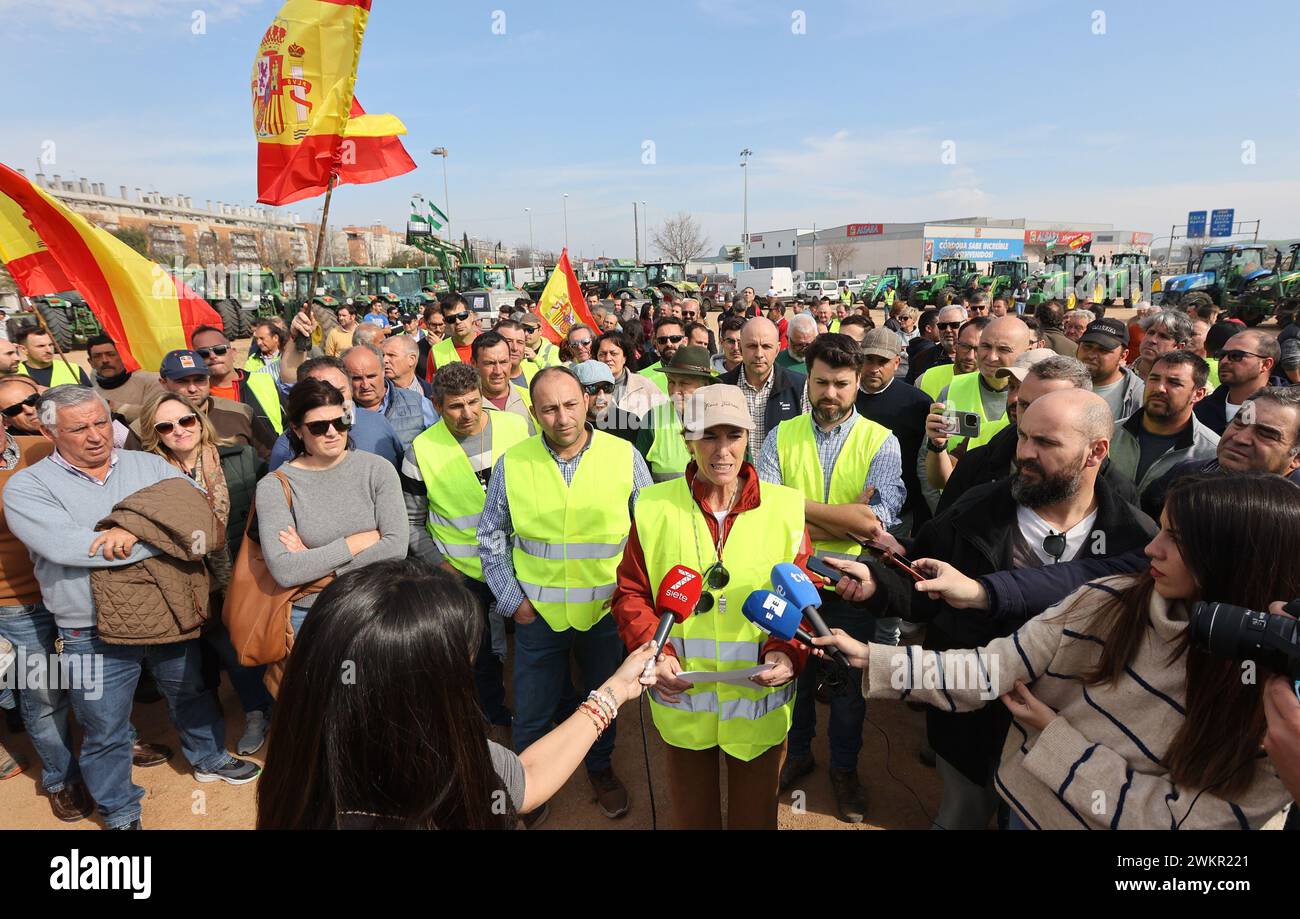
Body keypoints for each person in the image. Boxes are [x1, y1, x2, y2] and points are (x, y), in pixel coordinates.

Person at [816, 473, 1296, 829]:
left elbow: (1179, 823)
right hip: (1024, 810)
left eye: (1178, 539)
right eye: (1161, 529)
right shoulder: (1108, 599)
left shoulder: (1277, 701)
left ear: (1241, 559)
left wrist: (1054, 738)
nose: (1153, 548)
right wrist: (868, 657)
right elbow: (992, 668)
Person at [4, 386, 260, 829]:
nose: (95, 435)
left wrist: (129, 535)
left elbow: (198, 522)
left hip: (167, 612)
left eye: (101, 422)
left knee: (192, 695)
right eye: (78, 427)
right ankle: (120, 810)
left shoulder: (149, 465)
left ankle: (209, 757)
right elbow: (70, 546)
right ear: (48, 431)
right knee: (103, 725)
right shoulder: (28, 486)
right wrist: (155, 537)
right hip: (88, 628)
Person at [257, 560, 656, 828]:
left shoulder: (298, 765)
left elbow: (527, 778)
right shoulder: (439, 769)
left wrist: (615, 689)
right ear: (413, 689)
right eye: (458, 668)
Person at [612, 382, 814, 826]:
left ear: (749, 437)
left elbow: (802, 595)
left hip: (758, 704)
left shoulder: (785, 508)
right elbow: (631, 593)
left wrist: (789, 651)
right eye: (709, 435)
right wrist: (656, 652)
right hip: (682, 698)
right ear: (688, 438)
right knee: (692, 818)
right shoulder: (652, 506)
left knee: (755, 820)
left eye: (733, 435)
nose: (722, 451)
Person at [477, 366, 654, 826]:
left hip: (604, 615)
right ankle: (521, 793)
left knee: (603, 701)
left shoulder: (624, 456)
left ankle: (599, 769)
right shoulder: (512, 464)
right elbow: (492, 535)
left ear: (588, 401)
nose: (562, 417)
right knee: (532, 712)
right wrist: (513, 600)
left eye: (571, 404)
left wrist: (632, 601)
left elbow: (650, 534)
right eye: (550, 408)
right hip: (539, 617)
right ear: (534, 413)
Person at [759, 334, 904, 822]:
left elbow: (877, 522)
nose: (830, 393)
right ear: (808, 380)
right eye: (821, 381)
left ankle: (844, 769)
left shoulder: (881, 441)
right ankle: (798, 753)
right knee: (793, 677)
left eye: (842, 384)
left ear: (858, 382)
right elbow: (767, 512)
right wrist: (846, 516)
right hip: (790, 577)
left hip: (851, 583)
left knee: (846, 685)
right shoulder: (779, 436)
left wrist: (804, 514)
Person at [137, 391, 271, 755]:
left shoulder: (240, 457)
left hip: (242, 576)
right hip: (185, 583)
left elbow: (268, 511)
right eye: (166, 426)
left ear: (199, 420)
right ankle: (233, 723)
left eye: (186, 420)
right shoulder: (146, 475)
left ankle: (267, 711)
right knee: (210, 659)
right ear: (156, 434)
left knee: (250, 649)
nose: (179, 430)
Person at [403, 362, 532, 727]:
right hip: (462, 574)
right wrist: (444, 569)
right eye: (455, 406)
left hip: (520, 562)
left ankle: (536, 711)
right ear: (437, 405)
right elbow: (413, 523)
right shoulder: (420, 451)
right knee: (477, 654)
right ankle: (492, 713)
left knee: (532, 643)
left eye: (474, 402)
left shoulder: (517, 428)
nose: (467, 414)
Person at [256, 378, 408, 639]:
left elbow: (395, 547)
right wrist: (353, 543)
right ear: (297, 429)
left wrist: (319, 567)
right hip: (313, 617)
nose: (332, 432)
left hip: (377, 607)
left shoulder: (377, 469)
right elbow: (286, 570)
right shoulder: (275, 486)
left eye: (341, 422)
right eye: (318, 426)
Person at [0, 425, 85, 821]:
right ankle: (61, 778)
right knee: (44, 694)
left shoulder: (42, 449)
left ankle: (126, 745)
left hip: (74, 588)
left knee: (97, 678)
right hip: (18, 605)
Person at [1142, 385, 1300, 518]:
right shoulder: (1185, 474)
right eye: (1239, 422)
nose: (1240, 438)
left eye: (1266, 434)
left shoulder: (1292, 517)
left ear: (1297, 457)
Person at [922, 316, 1031, 496]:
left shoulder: (1039, 401)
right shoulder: (951, 390)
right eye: (985, 346)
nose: (991, 357)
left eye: (1003, 349)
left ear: (1027, 351)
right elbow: (931, 471)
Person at [1109, 350, 1219, 500]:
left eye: (1174, 383)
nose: (1159, 388)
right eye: (1154, 379)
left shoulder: (1212, 453)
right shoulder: (1108, 434)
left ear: (1198, 394)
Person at [855, 328, 933, 536]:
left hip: (898, 516)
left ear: (897, 363)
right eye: (868, 360)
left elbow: (924, 463)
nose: (873, 368)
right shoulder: (843, 396)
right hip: (845, 506)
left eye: (882, 362)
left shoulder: (918, 403)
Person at [267, 355, 404, 471]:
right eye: (321, 394)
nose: (333, 400)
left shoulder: (377, 422)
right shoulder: (285, 447)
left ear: (351, 390)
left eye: (340, 391)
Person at [719, 318, 808, 463]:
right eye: (752, 346)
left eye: (766, 346)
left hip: (782, 482)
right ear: (741, 347)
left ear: (778, 349)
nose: (759, 354)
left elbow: (806, 443)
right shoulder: (721, 387)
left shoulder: (800, 387)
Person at [634, 346, 716, 482]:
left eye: (684, 383)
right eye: (671, 382)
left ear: (704, 386)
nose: (675, 390)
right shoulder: (652, 419)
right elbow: (638, 476)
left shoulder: (724, 419)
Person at [192, 325, 284, 434]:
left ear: (233, 352)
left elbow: (288, 422)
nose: (212, 356)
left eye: (219, 350)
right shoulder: (193, 396)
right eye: (203, 353)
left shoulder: (264, 381)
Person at [343, 343, 434, 451]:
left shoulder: (418, 403)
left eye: (371, 376)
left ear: (383, 372)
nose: (365, 385)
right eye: (356, 378)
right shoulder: (343, 409)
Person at [1194, 329, 1280, 435]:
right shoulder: (1201, 409)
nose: (1224, 361)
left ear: (1265, 364)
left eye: (1236, 356)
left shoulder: (1289, 411)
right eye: (1221, 355)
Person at [1075, 316, 1144, 420]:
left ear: (1123, 356)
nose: (1091, 355)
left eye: (1103, 350)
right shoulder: (1060, 384)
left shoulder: (1138, 396)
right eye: (1087, 346)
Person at [86, 335, 162, 424]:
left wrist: (112, 407)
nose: (105, 360)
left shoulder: (150, 381)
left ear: (123, 356)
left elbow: (156, 415)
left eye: (111, 354)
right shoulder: (91, 394)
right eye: (97, 356)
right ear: (90, 362)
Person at [595, 330, 664, 423]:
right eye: (602, 354)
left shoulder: (644, 385)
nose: (608, 358)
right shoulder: (589, 389)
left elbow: (663, 416)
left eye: (613, 353)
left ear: (625, 357)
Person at [473, 331, 534, 431]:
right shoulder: (467, 408)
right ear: (474, 364)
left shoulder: (530, 399)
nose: (498, 371)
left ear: (510, 362)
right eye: (489, 363)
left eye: (503, 362)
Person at [909, 304, 967, 391]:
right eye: (942, 326)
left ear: (966, 324)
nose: (947, 330)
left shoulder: (979, 357)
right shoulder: (922, 359)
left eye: (954, 325)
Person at [14, 327, 90, 388]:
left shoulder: (73, 369)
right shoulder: (14, 375)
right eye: (41, 346)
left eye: (51, 345)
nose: (49, 350)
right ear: (23, 349)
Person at [1132, 309, 1192, 381]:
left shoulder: (1190, 383)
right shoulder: (1120, 374)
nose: (1152, 340)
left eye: (1163, 336)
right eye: (1150, 332)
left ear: (1179, 347)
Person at [429, 294, 480, 370]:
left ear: (471, 316)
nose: (458, 321)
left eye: (462, 315)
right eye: (451, 319)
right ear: (445, 322)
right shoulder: (436, 352)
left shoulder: (491, 344)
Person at [639, 317, 687, 395]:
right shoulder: (642, 378)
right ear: (656, 344)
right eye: (662, 340)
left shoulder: (702, 375)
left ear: (685, 341)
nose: (668, 344)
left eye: (674, 339)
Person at [382, 334, 434, 401]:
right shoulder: (376, 395)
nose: (384, 360)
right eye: (383, 355)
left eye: (391, 355)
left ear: (411, 359)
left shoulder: (433, 392)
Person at [247, 319, 288, 388]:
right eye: (257, 339)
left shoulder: (286, 357)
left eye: (262, 338)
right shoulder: (252, 359)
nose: (258, 343)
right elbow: (248, 382)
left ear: (275, 338)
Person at [493, 318, 532, 387]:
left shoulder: (534, 370)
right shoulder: (484, 381)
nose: (515, 348)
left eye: (520, 342)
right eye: (508, 341)